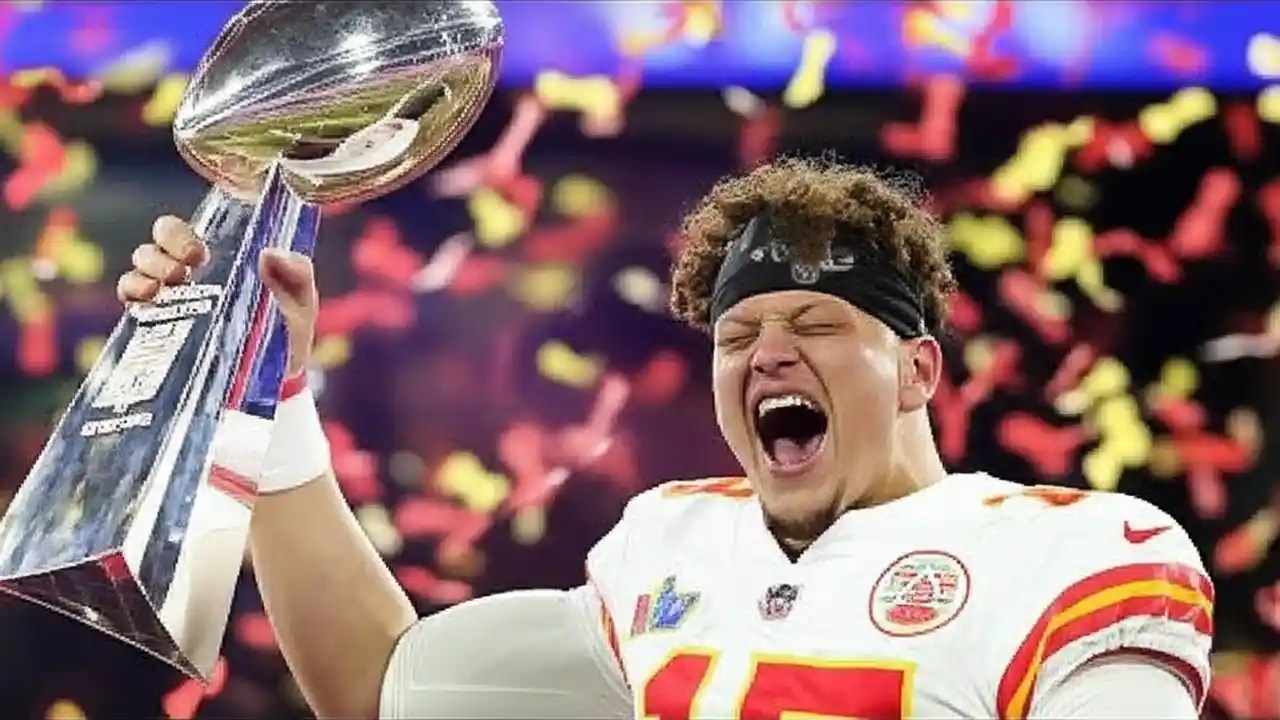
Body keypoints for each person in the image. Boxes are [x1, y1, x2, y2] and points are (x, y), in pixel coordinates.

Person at [117, 157, 1212, 719]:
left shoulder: (1072, 553)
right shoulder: (672, 545)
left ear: (918, 371)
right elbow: (379, 685)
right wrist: (269, 391)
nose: (768, 355)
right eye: (738, 336)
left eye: (815, 326)